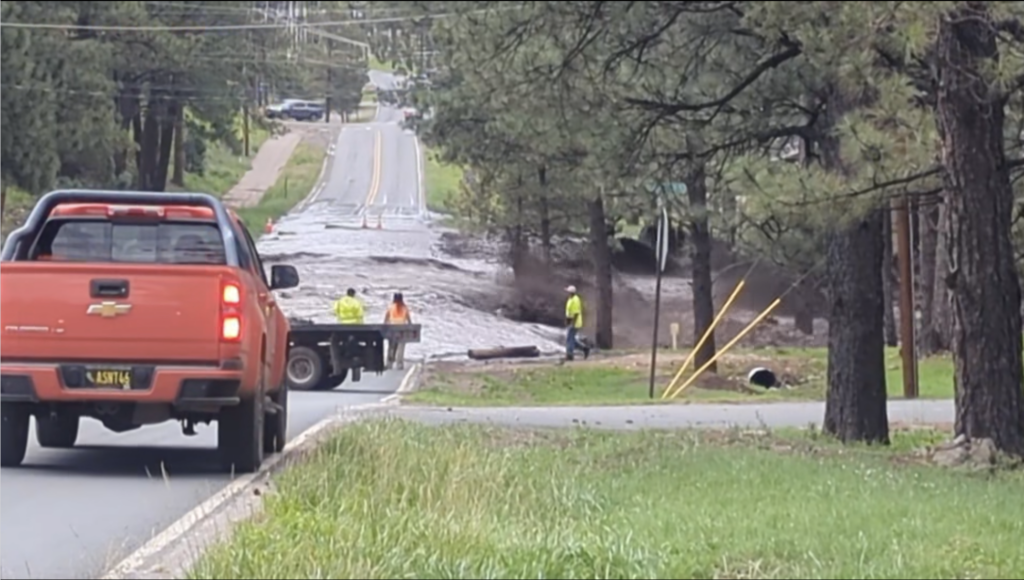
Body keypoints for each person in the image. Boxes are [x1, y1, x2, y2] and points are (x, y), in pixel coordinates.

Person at [329, 288, 364, 376]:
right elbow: (360, 314)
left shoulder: (340, 301)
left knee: (335, 341)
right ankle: (353, 359)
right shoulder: (356, 302)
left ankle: (337, 366)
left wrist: (340, 318)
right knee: (353, 344)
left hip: (342, 325)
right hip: (354, 326)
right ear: (353, 294)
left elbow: (335, 311)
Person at [383, 292, 412, 370]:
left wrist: (385, 327)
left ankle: (389, 363)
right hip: (402, 329)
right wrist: (410, 328)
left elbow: (386, 319)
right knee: (401, 346)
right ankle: (399, 364)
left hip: (392, 328)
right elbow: (408, 320)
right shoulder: (405, 308)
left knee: (391, 346)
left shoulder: (391, 307)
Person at [564, 285, 591, 361]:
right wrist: (567, 320)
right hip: (571, 321)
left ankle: (570, 355)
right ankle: (584, 348)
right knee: (571, 339)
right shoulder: (570, 299)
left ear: (571, 292)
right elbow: (569, 311)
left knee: (569, 338)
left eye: (568, 291)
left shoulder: (575, 300)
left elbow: (576, 313)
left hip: (575, 322)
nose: (567, 293)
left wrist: (572, 323)